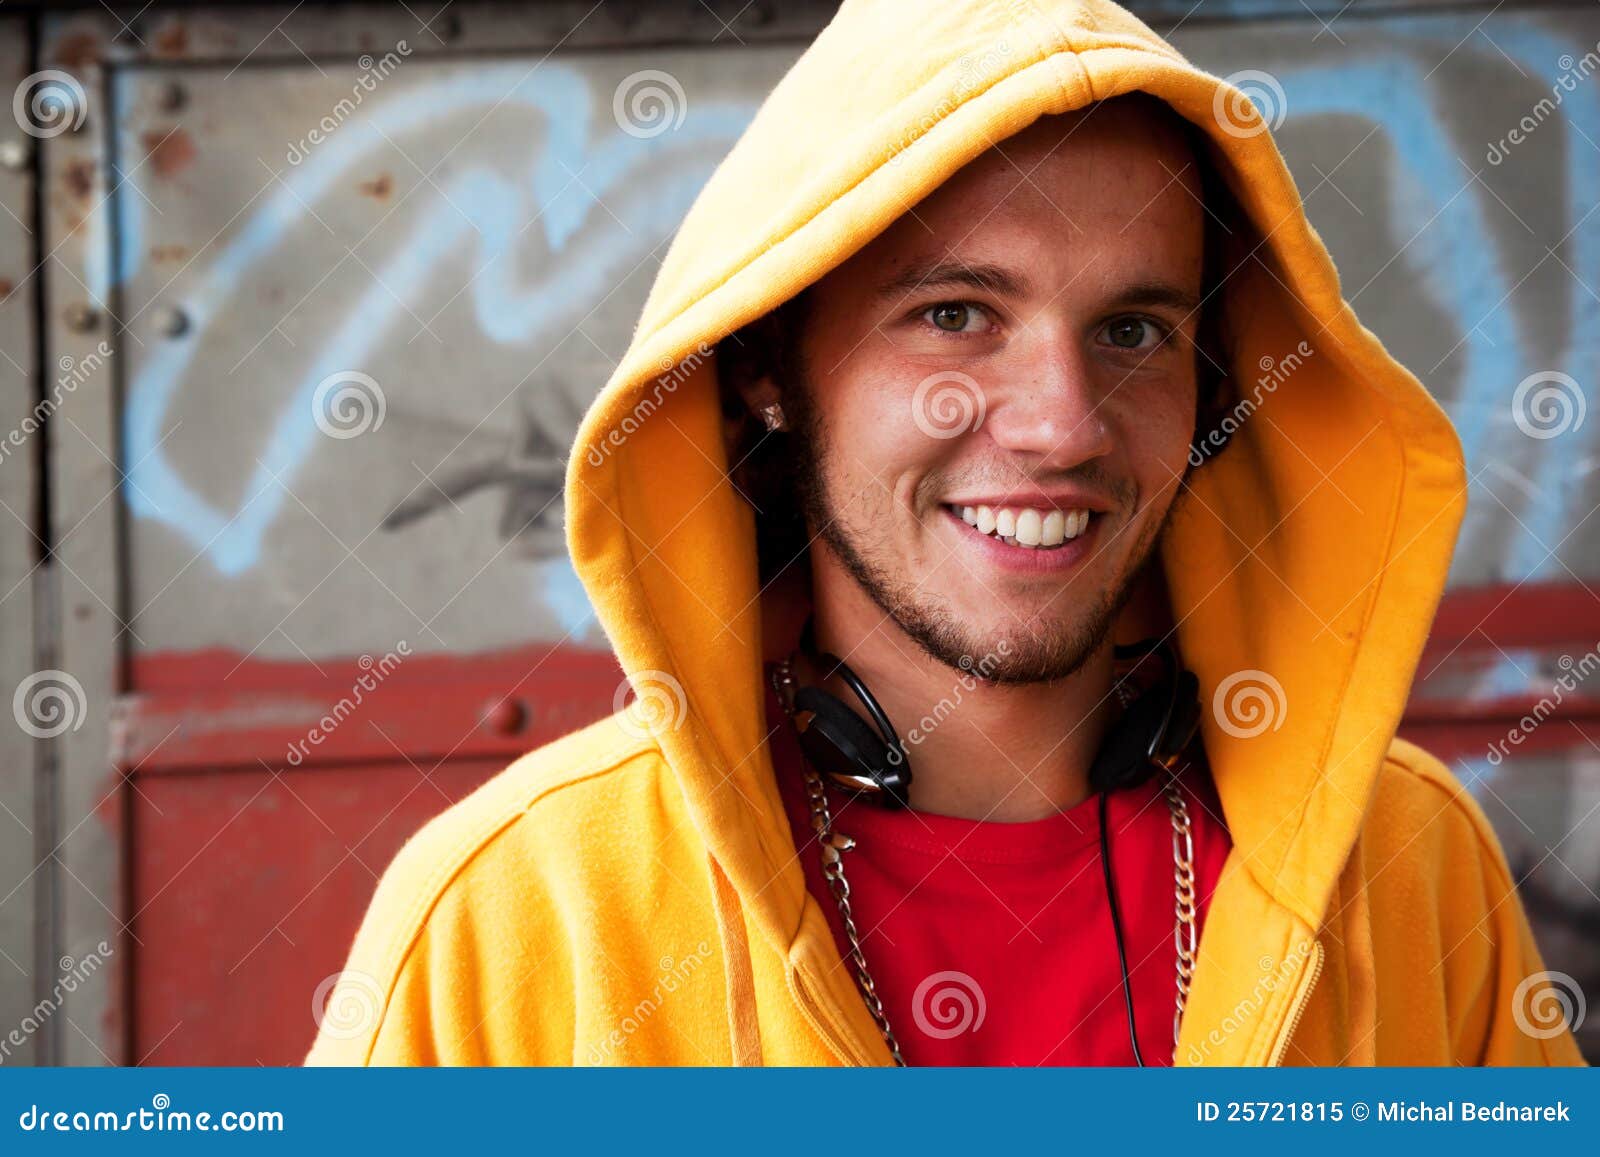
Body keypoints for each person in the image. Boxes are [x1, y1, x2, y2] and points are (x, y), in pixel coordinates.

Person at [307, 0, 1584, 1066]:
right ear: (766, 364)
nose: (1062, 426)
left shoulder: (1409, 866)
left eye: (1132, 331)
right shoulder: (514, 910)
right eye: (956, 314)